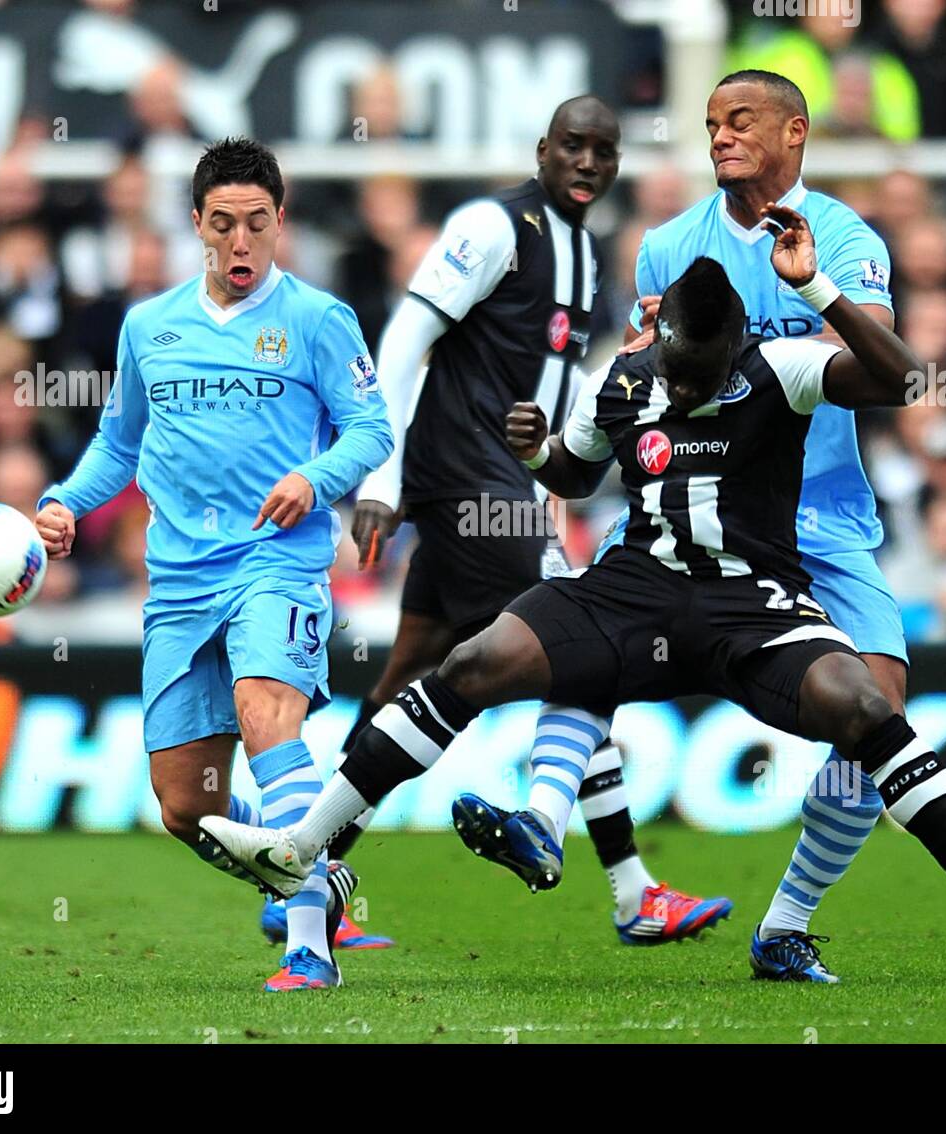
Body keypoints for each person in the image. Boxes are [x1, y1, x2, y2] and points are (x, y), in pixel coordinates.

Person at [201, 244, 946, 990]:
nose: (682, 387)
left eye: (701, 373)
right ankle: (302, 848)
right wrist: (538, 448)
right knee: (470, 663)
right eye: (675, 367)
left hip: (748, 604)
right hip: (633, 588)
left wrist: (818, 291)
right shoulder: (624, 375)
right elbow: (574, 478)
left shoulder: (787, 367)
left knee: (869, 712)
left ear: (738, 344)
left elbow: (902, 378)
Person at [455, 69, 909, 976]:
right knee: (591, 644)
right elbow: (648, 378)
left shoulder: (848, 239)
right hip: (701, 515)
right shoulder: (666, 246)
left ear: (796, 132)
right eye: (710, 124)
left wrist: (811, 297)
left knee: (882, 716)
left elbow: (879, 361)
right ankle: (550, 825)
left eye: (741, 121)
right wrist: (567, 453)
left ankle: (784, 922)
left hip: (823, 519)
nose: (720, 137)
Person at [273, 94, 732, 950]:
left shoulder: (589, 253)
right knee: (591, 647)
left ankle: (304, 884)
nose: (588, 162)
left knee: (407, 674)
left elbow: (551, 383)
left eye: (604, 150)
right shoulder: (493, 225)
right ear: (542, 149)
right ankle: (631, 890)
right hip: (465, 480)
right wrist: (381, 471)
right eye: (573, 146)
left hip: (509, 486)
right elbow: (403, 342)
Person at [34, 137, 393, 993]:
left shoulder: (317, 319)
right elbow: (117, 444)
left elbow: (373, 430)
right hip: (180, 582)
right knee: (183, 806)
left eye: (257, 224)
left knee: (267, 715)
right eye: (223, 224)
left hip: (276, 564)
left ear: (281, 223)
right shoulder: (149, 328)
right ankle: (314, 874)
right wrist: (63, 504)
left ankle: (308, 944)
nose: (241, 243)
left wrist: (315, 478)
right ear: (195, 223)